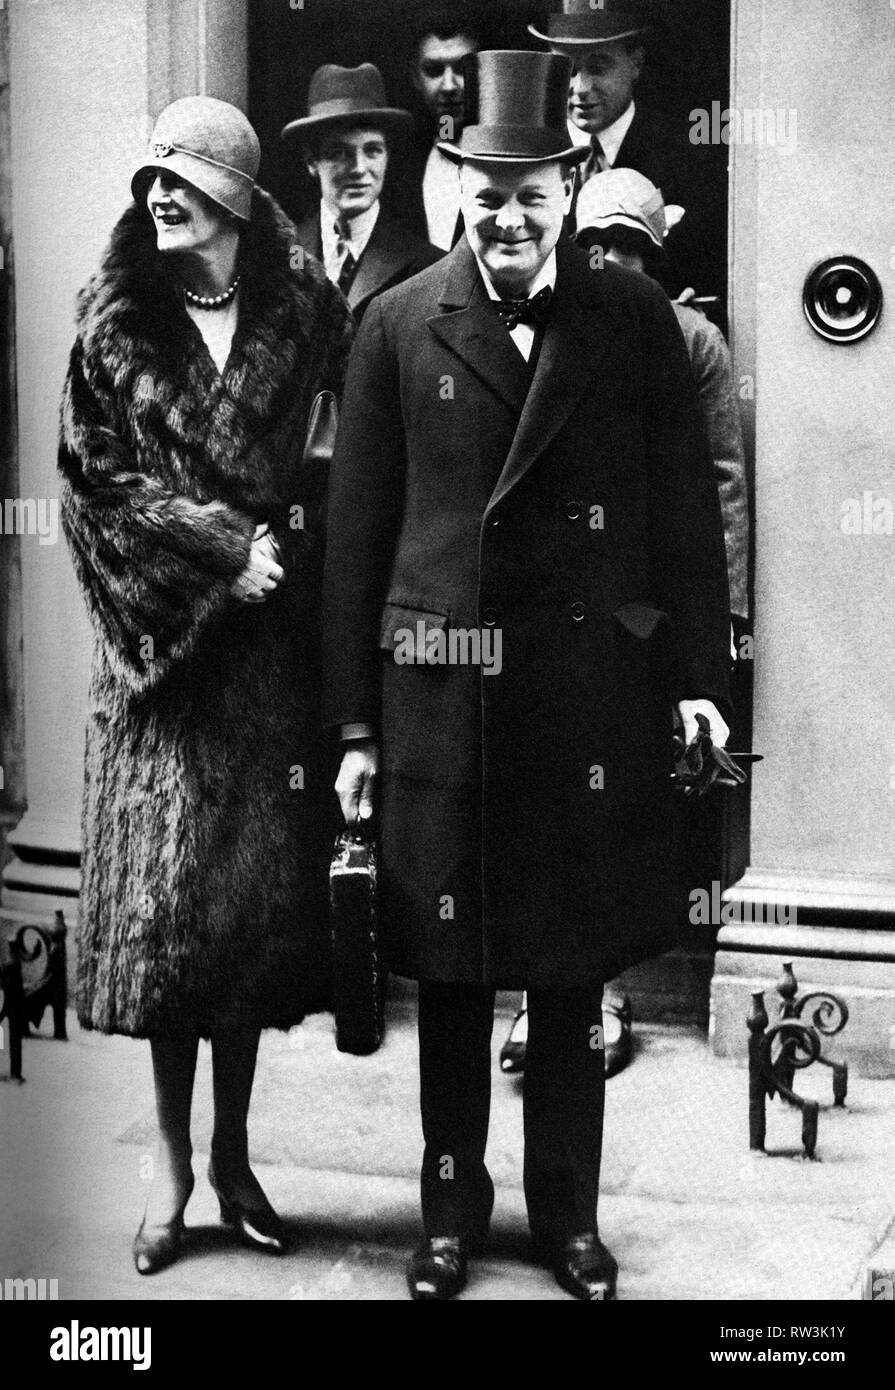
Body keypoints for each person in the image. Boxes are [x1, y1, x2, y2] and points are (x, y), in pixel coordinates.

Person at [322, 50, 731, 1301]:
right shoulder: (397, 323)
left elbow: (678, 519)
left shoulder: (629, 322)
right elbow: (356, 541)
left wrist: (693, 676)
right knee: (448, 978)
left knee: (565, 971)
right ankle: (448, 1213)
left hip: (581, 703)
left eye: (532, 195)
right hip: (440, 693)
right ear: (457, 186)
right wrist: (351, 727)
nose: (509, 218)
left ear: (569, 188)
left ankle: (567, 1216)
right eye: (487, 195)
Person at [58, 96, 354, 1276]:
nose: (158, 195)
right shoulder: (113, 325)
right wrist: (220, 554)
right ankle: (171, 1173)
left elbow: (347, 454)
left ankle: (236, 1158)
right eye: (149, 179)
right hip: (162, 672)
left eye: (181, 177)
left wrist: (297, 545)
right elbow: (91, 493)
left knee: (245, 931)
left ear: (235, 194)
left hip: (267, 670)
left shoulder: (306, 316)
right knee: (166, 931)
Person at [499, 166, 750, 1077]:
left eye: (627, 249)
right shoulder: (547, 327)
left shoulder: (689, 342)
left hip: (642, 618)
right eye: (594, 244)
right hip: (546, 621)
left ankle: (604, 995)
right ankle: (548, 1000)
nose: (606, 260)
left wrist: (712, 630)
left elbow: (713, 486)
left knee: (613, 820)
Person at [529, 0, 723, 302]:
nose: (580, 87)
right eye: (568, 69)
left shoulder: (687, 156)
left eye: (597, 68)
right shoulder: (532, 155)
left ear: (636, 63)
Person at [284, 64, 442, 325]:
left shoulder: (426, 265)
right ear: (312, 161)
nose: (358, 168)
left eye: (372, 150)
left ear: (387, 155)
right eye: (339, 152)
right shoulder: (284, 254)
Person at [400, 1, 484, 249]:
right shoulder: (399, 165)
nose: (449, 86)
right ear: (416, 77)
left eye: (462, 68)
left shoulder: (512, 159)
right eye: (434, 70)